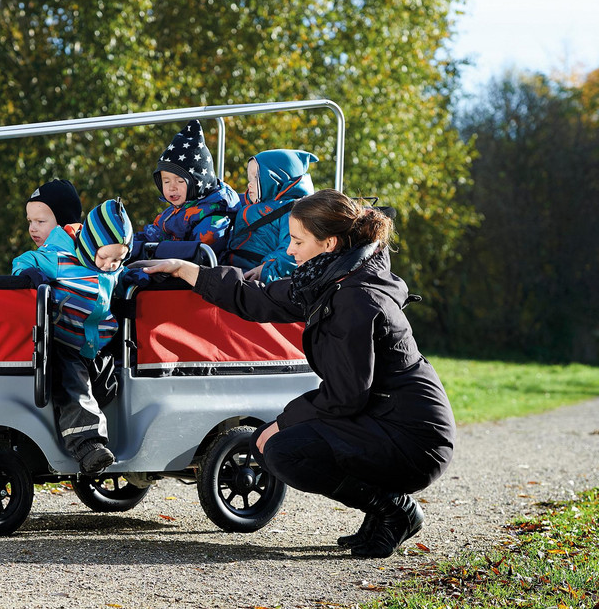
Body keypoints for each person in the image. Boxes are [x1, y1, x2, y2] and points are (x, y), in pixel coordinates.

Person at [144, 190, 455, 558]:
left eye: (297, 240)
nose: (289, 250)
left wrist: (284, 421)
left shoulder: (356, 298)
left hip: (413, 437)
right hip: (382, 418)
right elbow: (256, 298)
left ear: (330, 243)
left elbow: (346, 395)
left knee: (283, 449)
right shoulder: (330, 278)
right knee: (278, 442)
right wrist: (188, 271)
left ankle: (392, 510)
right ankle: (384, 513)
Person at [12, 199, 135, 475]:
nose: (109, 264)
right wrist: (29, 275)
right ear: (90, 245)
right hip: (64, 343)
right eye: (104, 257)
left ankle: (86, 422)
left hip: (96, 347)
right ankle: (88, 446)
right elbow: (23, 260)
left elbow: (125, 274)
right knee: (73, 383)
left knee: (108, 387)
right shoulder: (59, 258)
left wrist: (139, 276)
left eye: (117, 259)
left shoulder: (113, 267)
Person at [134, 119, 242, 256]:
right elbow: (154, 234)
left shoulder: (215, 217)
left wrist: (153, 252)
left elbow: (198, 255)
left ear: (198, 182)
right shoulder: (180, 208)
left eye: (179, 181)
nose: (171, 188)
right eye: (166, 182)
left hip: (189, 270)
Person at [223, 149, 318, 282]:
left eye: (256, 177)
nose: (249, 184)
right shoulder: (252, 204)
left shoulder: (293, 211)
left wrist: (266, 269)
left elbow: (291, 248)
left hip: (257, 277)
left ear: (277, 177)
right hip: (233, 268)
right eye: (249, 178)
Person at [25, 178, 84, 247]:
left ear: (65, 224)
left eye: (40, 221)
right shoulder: (42, 255)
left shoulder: (90, 254)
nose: (32, 229)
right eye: (30, 221)